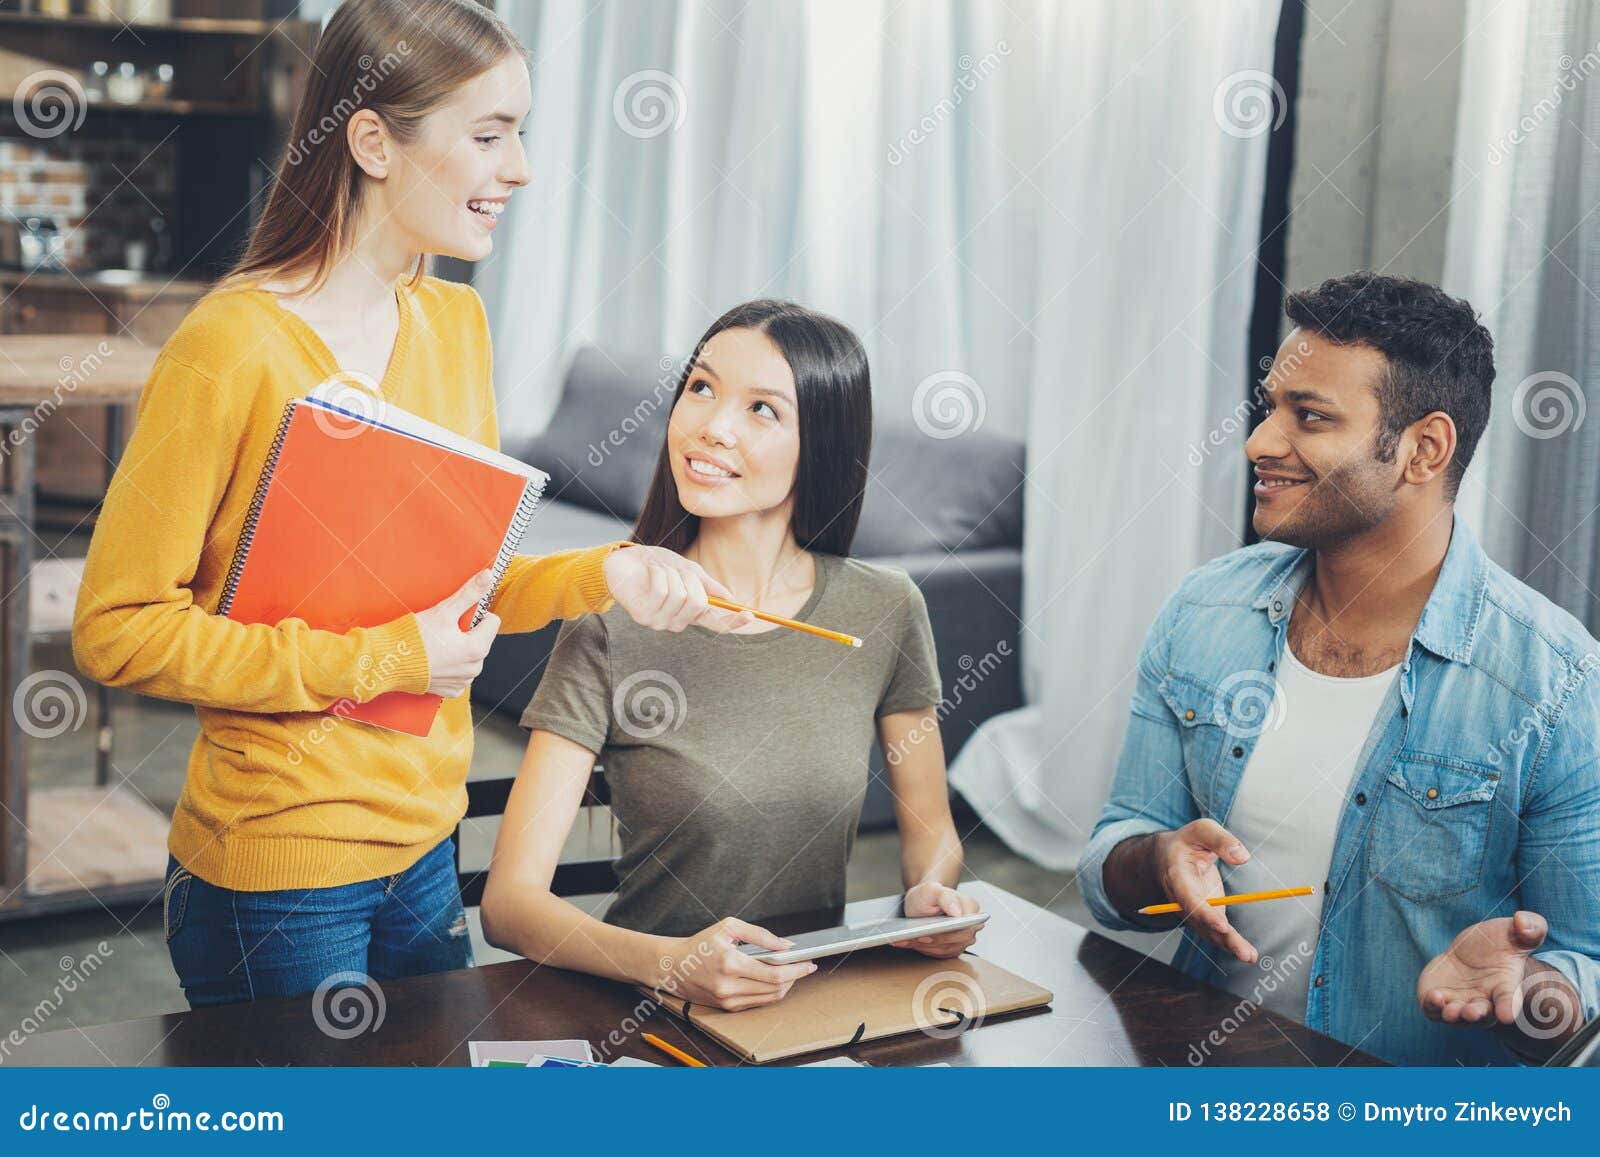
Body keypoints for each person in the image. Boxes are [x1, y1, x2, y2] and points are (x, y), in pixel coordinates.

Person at [71, 0, 747, 1008]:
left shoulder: (453, 323)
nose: (518, 167)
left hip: (427, 852)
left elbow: (459, 584)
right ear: (373, 140)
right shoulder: (230, 347)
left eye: (519, 133)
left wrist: (607, 569)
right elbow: (117, 630)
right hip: (279, 871)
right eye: (488, 135)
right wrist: (384, 657)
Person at [1079, 272, 1600, 1065]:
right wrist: (1155, 859)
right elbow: (1113, 851)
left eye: (1309, 417)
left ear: (1423, 450)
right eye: (1269, 409)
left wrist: (1526, 994)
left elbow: (1586, 970)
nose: (1258, 442)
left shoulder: (1559, 683)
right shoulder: (1202, 612)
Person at [480, 300, 982, 1011]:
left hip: (811, 1012)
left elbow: (932, 833)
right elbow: (508, 905)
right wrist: (671, 966)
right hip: (649, 1015)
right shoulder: (610, 620)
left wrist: (933, 889)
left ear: (824, 446)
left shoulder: (887, 609)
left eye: (763, 410)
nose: (712, 427)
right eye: (702, 388)